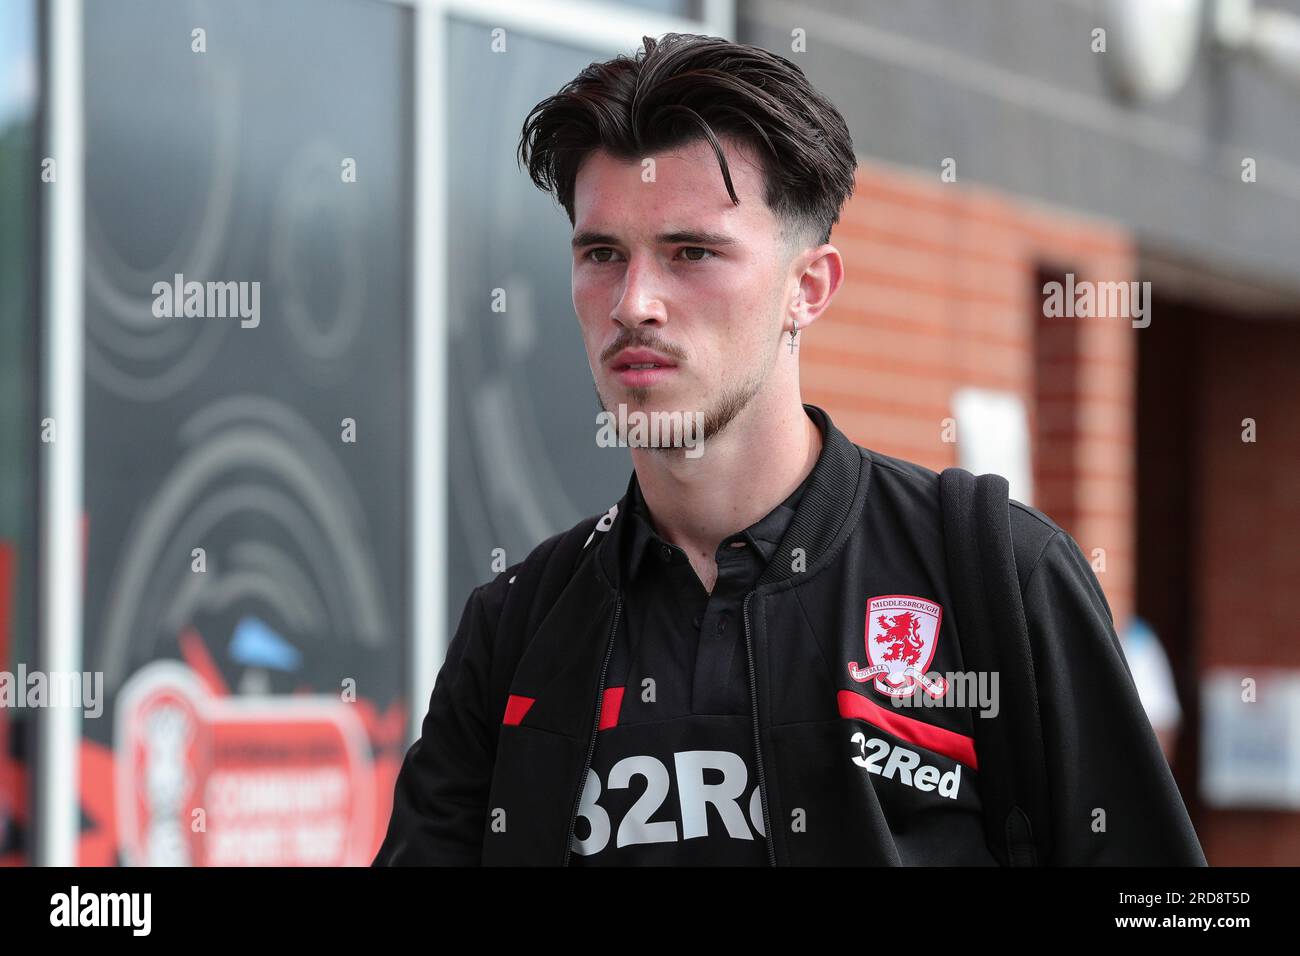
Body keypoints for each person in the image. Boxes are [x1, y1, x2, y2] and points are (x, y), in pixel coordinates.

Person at [374, 33, 1205, 866]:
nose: (635, 303)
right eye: (602, 254)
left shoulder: (993, 574)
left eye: (691, 252)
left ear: (807, 290)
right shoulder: (517, 628)